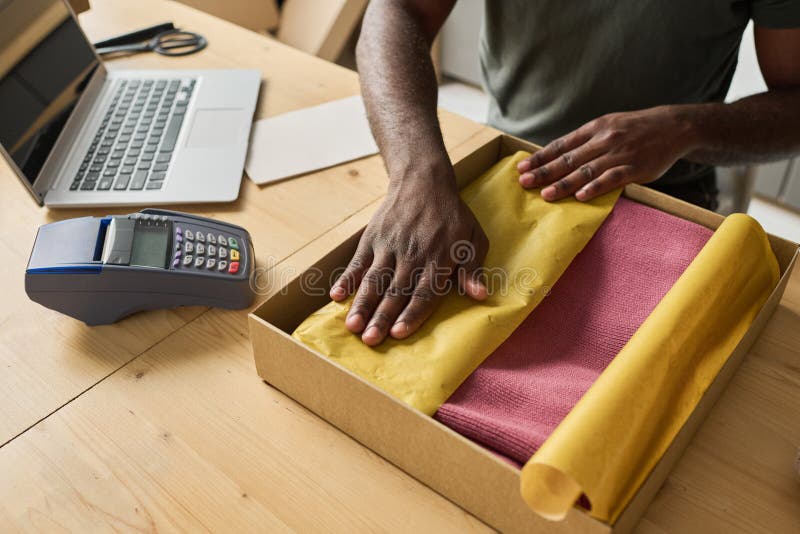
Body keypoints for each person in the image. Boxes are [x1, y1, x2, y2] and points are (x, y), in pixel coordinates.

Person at [329, 0, 800, 346]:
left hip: (668, 194)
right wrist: (417, 171)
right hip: (512, 172)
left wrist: (686, 129)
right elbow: (400, 9)